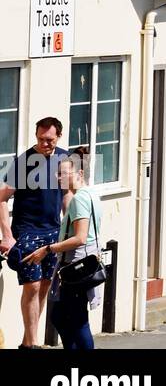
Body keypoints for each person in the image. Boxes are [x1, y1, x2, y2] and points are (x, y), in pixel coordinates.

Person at [22, 147, 101, 350]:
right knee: (61, 316)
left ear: (80, 174)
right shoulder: (92, 194)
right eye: (58, 173)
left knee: (77, 320)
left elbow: (80, 238)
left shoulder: (80, 200)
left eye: (64, 173)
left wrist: (48, 249)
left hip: (76, 268)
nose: (59, 177)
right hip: (84, 264)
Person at [0, 116, 69, 348]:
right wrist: (8, 236)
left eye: (49, 140)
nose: (44, 144)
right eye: (40, 139)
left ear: (58, 136)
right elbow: (1, 199)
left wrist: (70, 227)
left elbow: (68, 193)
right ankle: (32, 343)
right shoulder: (24, 162)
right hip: (28, 233)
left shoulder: (66, 158)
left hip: (54, 232)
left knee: (45, 286)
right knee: (33, 286)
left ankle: (27, 343)